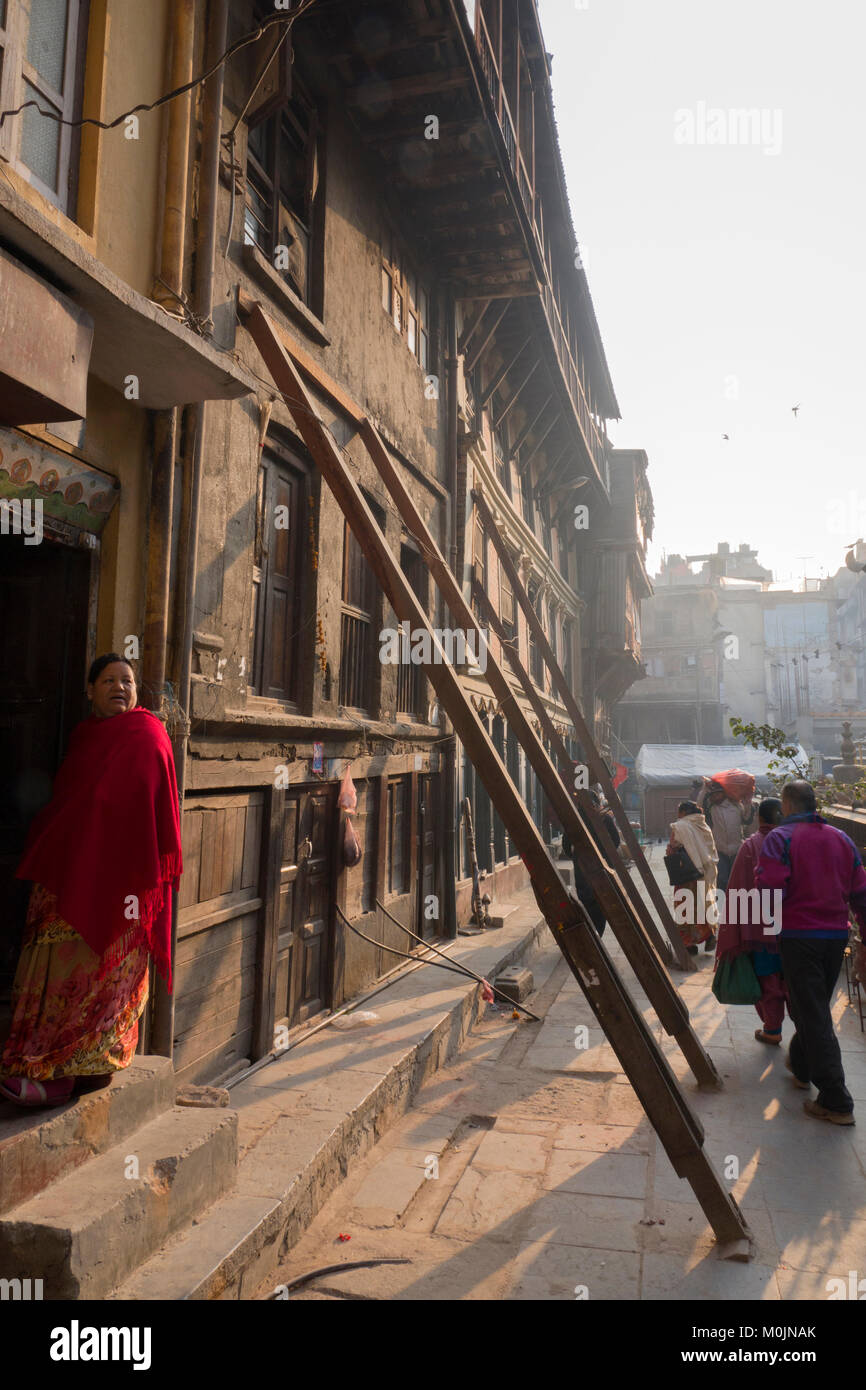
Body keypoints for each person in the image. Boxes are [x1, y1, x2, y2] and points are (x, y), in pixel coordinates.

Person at [0, 655, 182, 1108]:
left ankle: (72, 1073)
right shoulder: (84, 739)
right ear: (89, 689)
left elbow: (151, 811)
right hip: (67, 876)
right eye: (109, 680)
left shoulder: (147, 734)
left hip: (123, 885)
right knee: (52, 967)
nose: (120, 687)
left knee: (101, 978)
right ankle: (36, 1063)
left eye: (128, 681)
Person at [757, 779, 866, 1125]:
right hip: (835, 937)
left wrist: (768, 934)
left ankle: (836, 1099)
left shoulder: (779, 838)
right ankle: (802, 1066)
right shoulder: (842, 839)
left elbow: (768, 889)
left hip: (798, 935)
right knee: (812, 1004)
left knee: (814, 1013)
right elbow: (861, 893)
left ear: (786, 806)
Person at [715, 798, 787, 1044]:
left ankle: (773, 1029)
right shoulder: (793, 842)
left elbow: (736, 888)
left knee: (768, 980)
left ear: (760, 818)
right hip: (795, 927)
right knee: (794, 982)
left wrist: (735, 929)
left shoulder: (752, 845)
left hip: (760, 929)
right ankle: (805, 1038)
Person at [562, 790, 621, 938]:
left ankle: (588, 931)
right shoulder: (605, 818)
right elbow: (616, 841)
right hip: (602, 864)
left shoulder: (574, 818)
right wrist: (606, 856)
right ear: (595, 803)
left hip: (582, 864)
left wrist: (575, 856)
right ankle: (597, 933)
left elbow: (566, 844)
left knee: (585, 898)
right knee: (601, 900)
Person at [667, 799, 718, 955]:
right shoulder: (704, 826)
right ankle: (709, 934)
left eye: (679, 811)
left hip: (686, 875)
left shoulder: (680, 826)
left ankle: (689, 944)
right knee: (704, 904)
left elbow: (673, 847)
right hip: (705, 873)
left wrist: (670, 850)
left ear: (683, 812)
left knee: (685, 909)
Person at [698, 778, 755, 893]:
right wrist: (704, 789)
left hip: (737, 849)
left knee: (737, 879)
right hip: (720, 850)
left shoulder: (737, 807)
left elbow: (747, 820)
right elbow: (699, 805)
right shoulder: (712, 809)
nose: (714, 797)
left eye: (717, 794)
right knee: (722, 879)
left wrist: (748, 803)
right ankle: (723, 906)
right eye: (712, 795)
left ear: (724, 794)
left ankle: (736, 905)